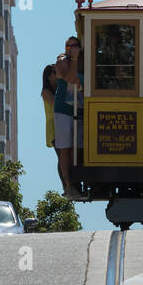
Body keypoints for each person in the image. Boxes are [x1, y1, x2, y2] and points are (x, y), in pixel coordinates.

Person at [54, 36, 84, 200]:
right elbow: (71, 78)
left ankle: (77, 181)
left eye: (75, 45)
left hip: (80, 110)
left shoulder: (83, 60)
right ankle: (68, 184)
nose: (71, 48)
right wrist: (72, 59)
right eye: (68, 46)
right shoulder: (62, 60)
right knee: (65, 150)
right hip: (64, 110)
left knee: (78, 148)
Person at [41, 64, 57, 151]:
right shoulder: (46, 92)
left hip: (58, 124)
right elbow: (56, 105)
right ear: (49, 77)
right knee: (61, 154)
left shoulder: (56, 90)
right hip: (53, 128)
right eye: (55, 72)